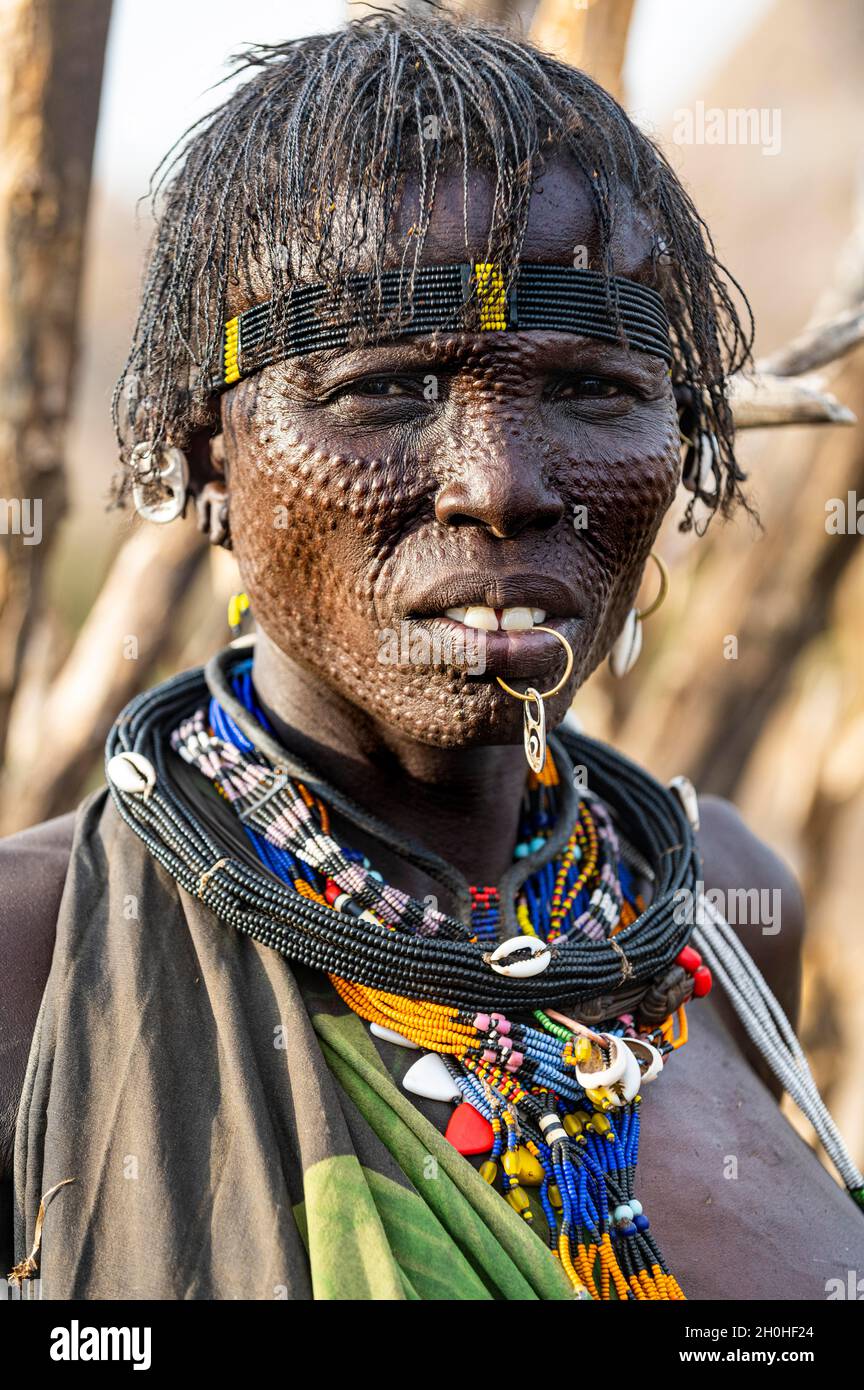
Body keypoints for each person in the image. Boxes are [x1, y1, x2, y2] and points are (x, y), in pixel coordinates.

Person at [1, 13, 862, 1301]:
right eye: (383, 391)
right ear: (204, 461)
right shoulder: (39, 959)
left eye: (592, 391)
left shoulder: (721, 912)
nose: (503, 489)